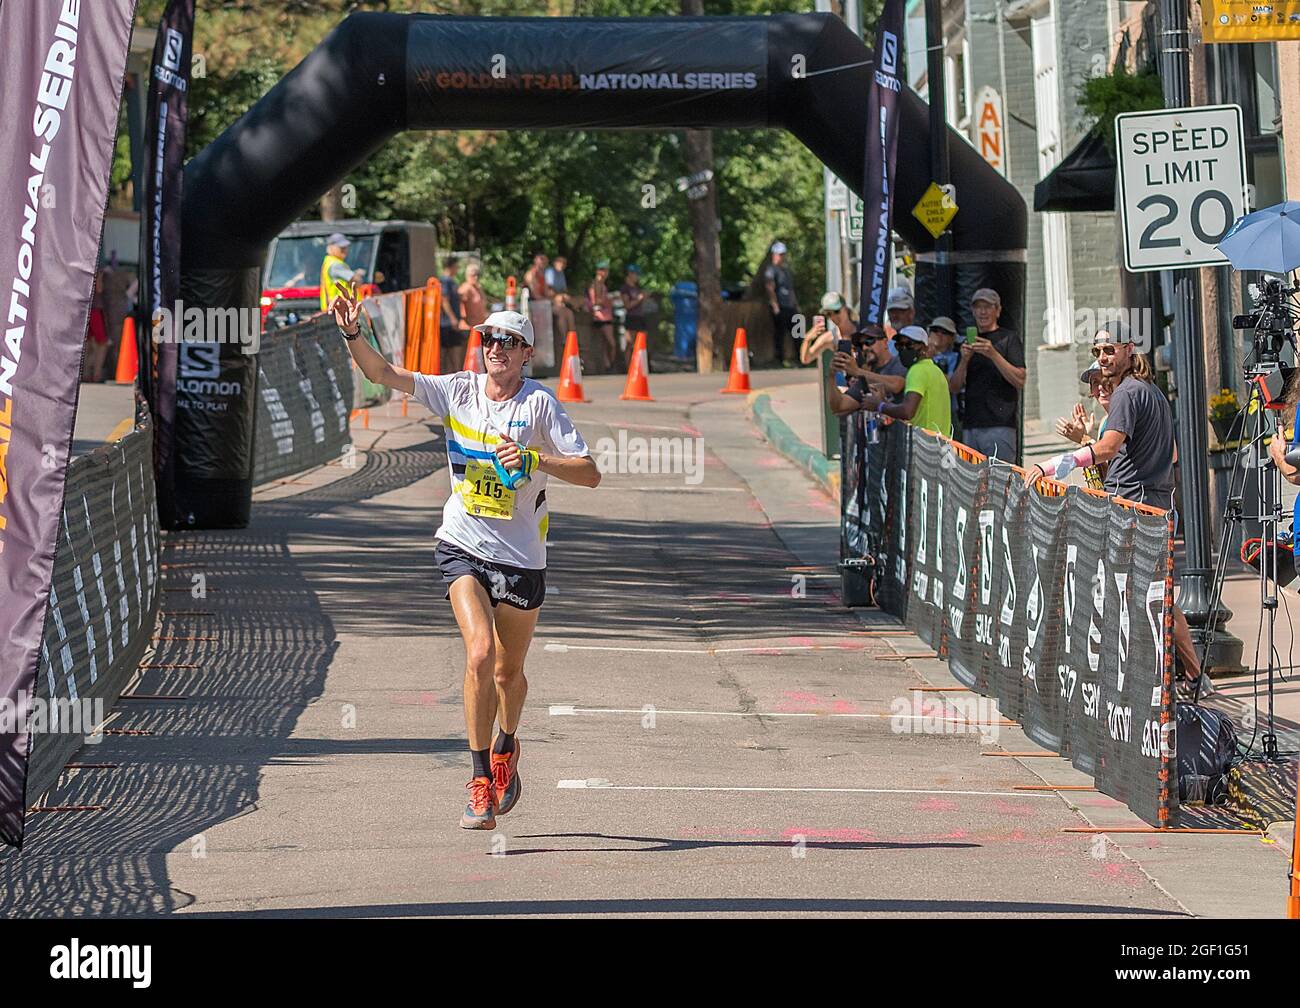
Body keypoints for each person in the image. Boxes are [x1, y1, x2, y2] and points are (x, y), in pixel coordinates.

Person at [330, 288, 601, 829]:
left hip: (522, 555)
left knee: (508, 673)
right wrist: (352, 333)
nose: (495, 347)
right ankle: (479, 779)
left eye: (509, 340)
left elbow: (589, 472)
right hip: (462, 543)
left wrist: (532, 458)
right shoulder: (458, 390)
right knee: (478, 655)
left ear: (527, 353)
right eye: (488, 338)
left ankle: (506, 746)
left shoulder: (539, 404)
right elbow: (384, 375)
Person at [1027, 321, 1202, 690]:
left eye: (1109, 351)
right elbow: (1163, 453)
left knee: (1135, 595)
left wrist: (1057, 464)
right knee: (1156, 593)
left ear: (1129, 350)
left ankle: (1154, 679)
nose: (1103, 359)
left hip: (1134, 505)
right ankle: (1191, 674)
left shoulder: (1127, 394)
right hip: (1152, 502)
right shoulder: (1151, 392)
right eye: (1097, 353)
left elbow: (1107, 449)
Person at [948, 287, 1025, 461]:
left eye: (988, 307)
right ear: (973, 311)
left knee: (1001, 480)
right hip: (971, 425)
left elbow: (1020, 380)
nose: (983, 312)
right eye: (978, 307)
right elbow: (954, 386)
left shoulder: (1009, 338)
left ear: (997, 311)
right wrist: (964, 360)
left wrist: (993, 354)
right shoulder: (968, 342)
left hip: (1000, 424)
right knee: (972, 482)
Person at [836, 325, 952, 436]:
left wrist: (879, 406)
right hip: (940, 446)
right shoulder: (935, 371)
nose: (903, 349)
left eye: (909, 345)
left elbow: (907, 411)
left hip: (926, 446)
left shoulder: (917, 371)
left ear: (924, 348)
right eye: (899, 346)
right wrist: (885, 403)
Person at [826, 324, 907, 416]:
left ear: (885, 342)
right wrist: (831, 376)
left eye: (869, 341)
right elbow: (839, 406)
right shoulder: (866, 376)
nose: (864, 348)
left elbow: (897, 385)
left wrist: (857, 371)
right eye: (861, 345)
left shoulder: (900, 362)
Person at [763, 241, 799, 366]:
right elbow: (770, 287)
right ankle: (779, 359)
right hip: (780, 306)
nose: (782, 257)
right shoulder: (771, 270)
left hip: (790, 306)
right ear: (774, 255)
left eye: (783, 254)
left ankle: (800, 357)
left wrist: (795, 304)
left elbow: (791, 289)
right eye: (780, 254)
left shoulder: (786, 270)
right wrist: (775, 305)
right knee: (780, 333)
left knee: (797, 331)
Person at [801, 291, 857, 366]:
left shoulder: (863, 330)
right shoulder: (831, 337)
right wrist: (807, 339)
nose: (833, 317)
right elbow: (806, 359)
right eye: (829, 314)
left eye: (837, 311)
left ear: (845, 309)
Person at [320, 233, 363, 313]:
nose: (345, 250)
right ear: (331, 247)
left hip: (337, 309)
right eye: (341, 247)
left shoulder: (328, 262)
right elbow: (357, 281)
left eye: (346, 247)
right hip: (344, 310)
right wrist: (359, 274)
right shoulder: (336, 264)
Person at [587, 260, 617, 371]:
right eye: (604, 270)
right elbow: (597, 301)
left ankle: (607, 364)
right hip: (601, 316)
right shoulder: (597, 284)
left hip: (604, 315)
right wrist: (610, 300)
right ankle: (609, 365)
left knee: (604, 343)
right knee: (611, 343)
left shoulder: (601, 284)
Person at [546, 255, 576, 342]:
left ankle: (572, 338)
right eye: (560, 262)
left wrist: (564, 296)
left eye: (564, 263)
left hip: (560, 300)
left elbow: (564, 289)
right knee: (562, 313)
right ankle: (564, 339)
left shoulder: (561, 274)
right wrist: (560, 296)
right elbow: (549, 290)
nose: (562, 264)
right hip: (549, 301)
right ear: (555, 263)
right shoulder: (550, 272)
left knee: (570, 313)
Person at [438, 258, 463, 359]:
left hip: (451, 322)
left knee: (454, 350)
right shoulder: (445, 281)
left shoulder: (452, 281)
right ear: (451, 267)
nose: (457, 269)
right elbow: (444, 300)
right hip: (446, 323)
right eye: (456, 267)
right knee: (449, 352)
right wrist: (453, 319)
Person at [458, 261, 489, 334]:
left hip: (479, 327)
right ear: (467, 275)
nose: (476, 277)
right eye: (473, 275)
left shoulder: (478, 287)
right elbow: (458, 305)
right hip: (469, 328)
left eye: (478, 275)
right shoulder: (465, 288)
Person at [620, 264, 648, 341]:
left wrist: (644, 298)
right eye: (637, 274)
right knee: (630, 343)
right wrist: (639, 299)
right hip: (632, 318)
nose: (638, 277)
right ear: (630, 274)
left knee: (641, 342)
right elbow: (627, 305)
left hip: (640, 317)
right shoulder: (625, 288)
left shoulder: (637, 288)